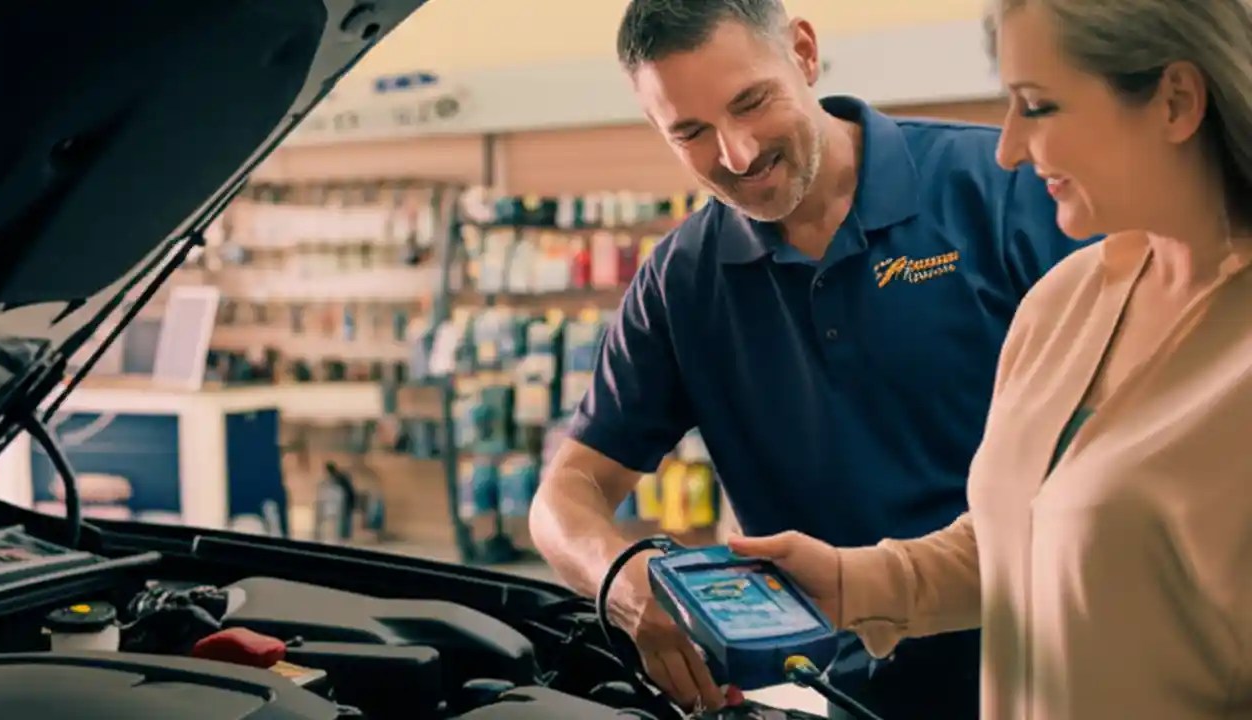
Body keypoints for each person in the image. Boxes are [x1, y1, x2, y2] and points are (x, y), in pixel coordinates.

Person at [528, 0, 1086, 717]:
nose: (736, 154)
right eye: (691, 133)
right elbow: (563, 496)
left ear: (803, 51)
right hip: (848, 693)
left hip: (1053, 667)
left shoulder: (1005, 189)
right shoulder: (681, 282)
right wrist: (626, 583)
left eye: (750, 103)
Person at [730, 0, 1252, 718]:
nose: (1006, 149)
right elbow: (1036, 542)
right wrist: (855, 583)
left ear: (1175, 101)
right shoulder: (1063, 303)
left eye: (1036, 107)